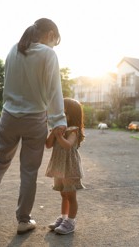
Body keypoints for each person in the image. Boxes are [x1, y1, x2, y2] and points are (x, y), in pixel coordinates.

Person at [0, 18, 67, 235]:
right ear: (51, 34)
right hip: (34, 118)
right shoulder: (48, 53)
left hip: (8, 116)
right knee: (28, 172)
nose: (54, 45)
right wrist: (58, 122)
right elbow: (54, 90)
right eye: (55, 40)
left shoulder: (13, 50)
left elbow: (9, 84)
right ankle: (23, 220)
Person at [45, 98, 86, 235]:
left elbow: (68, 146)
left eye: (63, 112)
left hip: (70, 167)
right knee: (63, 194)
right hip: (59, 167)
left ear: (70, 114)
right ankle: (63, 218)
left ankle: (71, 221)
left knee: (71, 195)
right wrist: (54, 132)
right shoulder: (59, 128)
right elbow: (48, 144)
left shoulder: (73, 130)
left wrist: (59, 136)